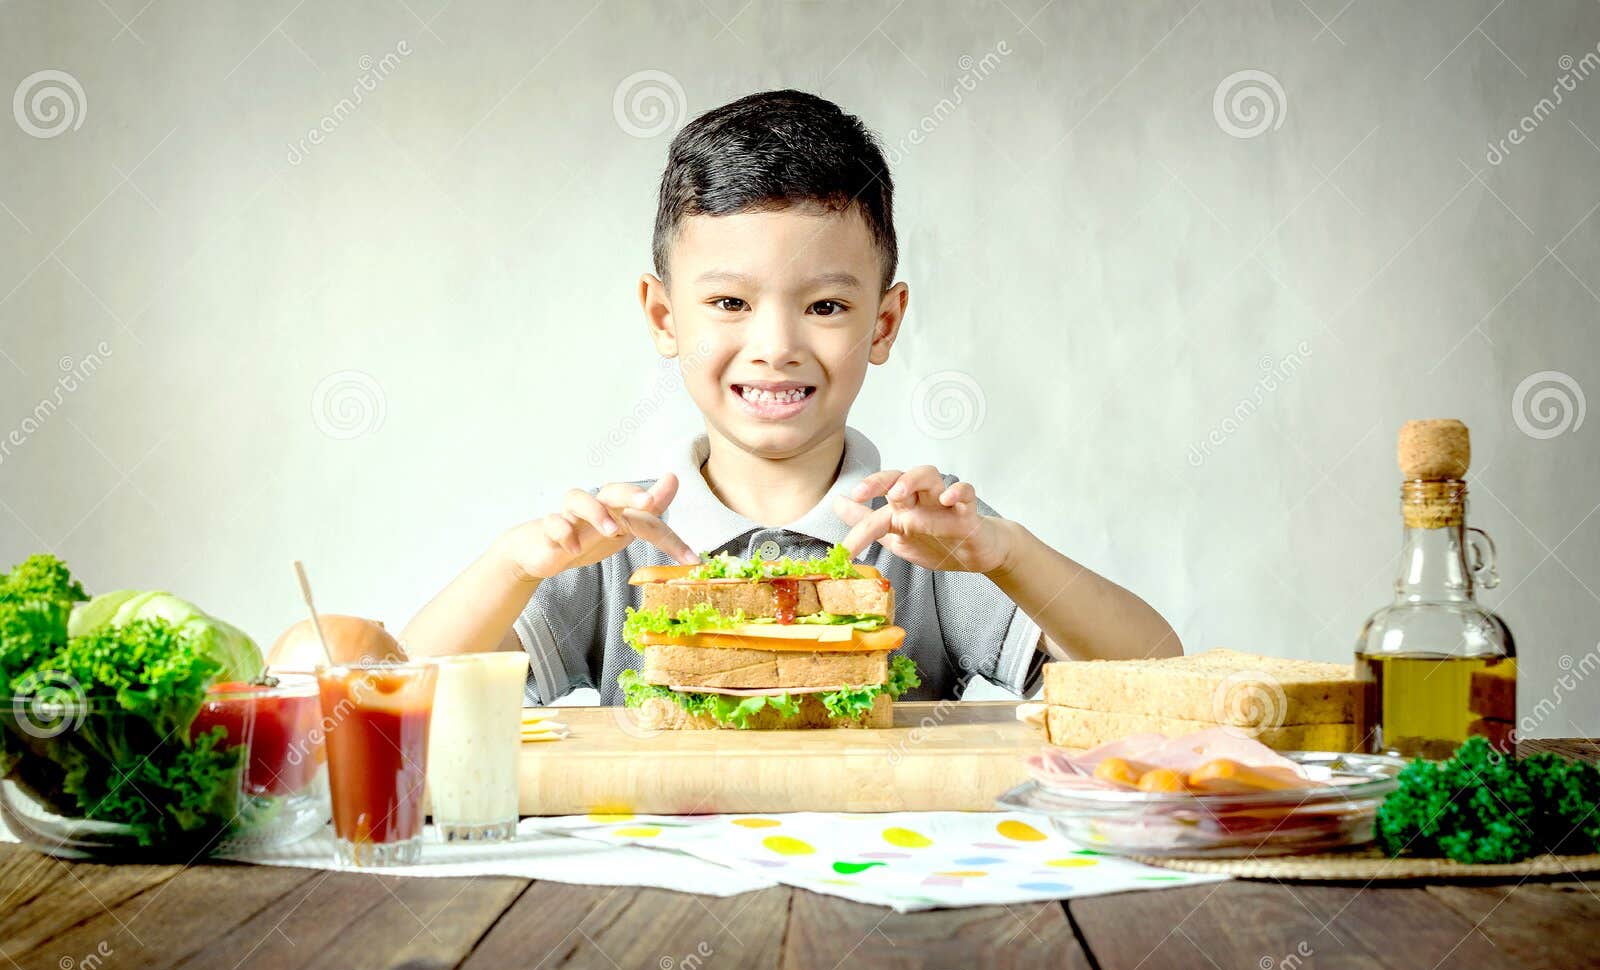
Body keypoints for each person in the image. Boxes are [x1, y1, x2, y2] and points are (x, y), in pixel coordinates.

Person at [404, 90, 1179, 705]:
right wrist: (514, 563)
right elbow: (409, 688)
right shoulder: (623, 538)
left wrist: (1008, 556)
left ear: (884, 322)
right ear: (663, 317)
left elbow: (1156, 674)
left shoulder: (925, 534)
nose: (776, 347)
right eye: (730, 304)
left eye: (827, 306)